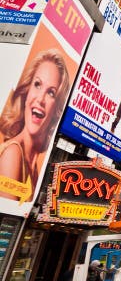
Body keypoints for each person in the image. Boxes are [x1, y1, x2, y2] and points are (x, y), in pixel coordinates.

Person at [0, 49, 70, 202]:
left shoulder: (34, 168)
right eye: (37, 84)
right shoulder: (13, 152)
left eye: (51, 93)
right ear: (27, 91)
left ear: (56, 108)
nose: (40, 99)